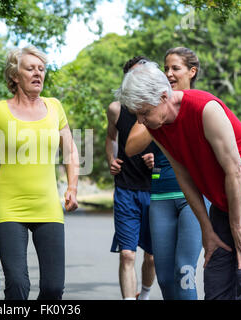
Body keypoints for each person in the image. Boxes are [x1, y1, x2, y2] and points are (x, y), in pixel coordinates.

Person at [115, 60, 241, 300]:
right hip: (221, 200)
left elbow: (235, 169)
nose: (141, 121)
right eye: (137, 115)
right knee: (215, 283)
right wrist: (207, 229)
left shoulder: (205, 108)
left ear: (164, 96)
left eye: (144, 113)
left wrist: (238, 226)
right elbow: (183, 175)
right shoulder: (158, 125)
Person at [0, 46, 79, 300]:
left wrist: (72, 187)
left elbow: (70, 151)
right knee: (17, 286)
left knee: (53, 289)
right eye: (31, 68)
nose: (38, 73)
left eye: (42, 69)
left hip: (48, 205)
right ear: (15, 76)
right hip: (9, 206)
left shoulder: (55, 107)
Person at [125, 47, 207, 299]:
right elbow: (130, 148)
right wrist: (156, 115)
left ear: (192, 72)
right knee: (164, 275)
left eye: (176, 68)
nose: (169, 73)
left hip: (192, 195)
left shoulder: (200, 104)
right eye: (166, 68)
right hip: (161, 194)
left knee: (184, 270)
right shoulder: (156, 110)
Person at [105, 56, 155, 300]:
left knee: (152, 256)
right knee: (127, 254)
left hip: (154, 189)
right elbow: (111, 138)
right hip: (125, 188)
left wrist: (156, 161)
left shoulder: (159, 108)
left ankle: (143, 295)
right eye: (136, 73)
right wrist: (110, 160)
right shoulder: (116, 109)